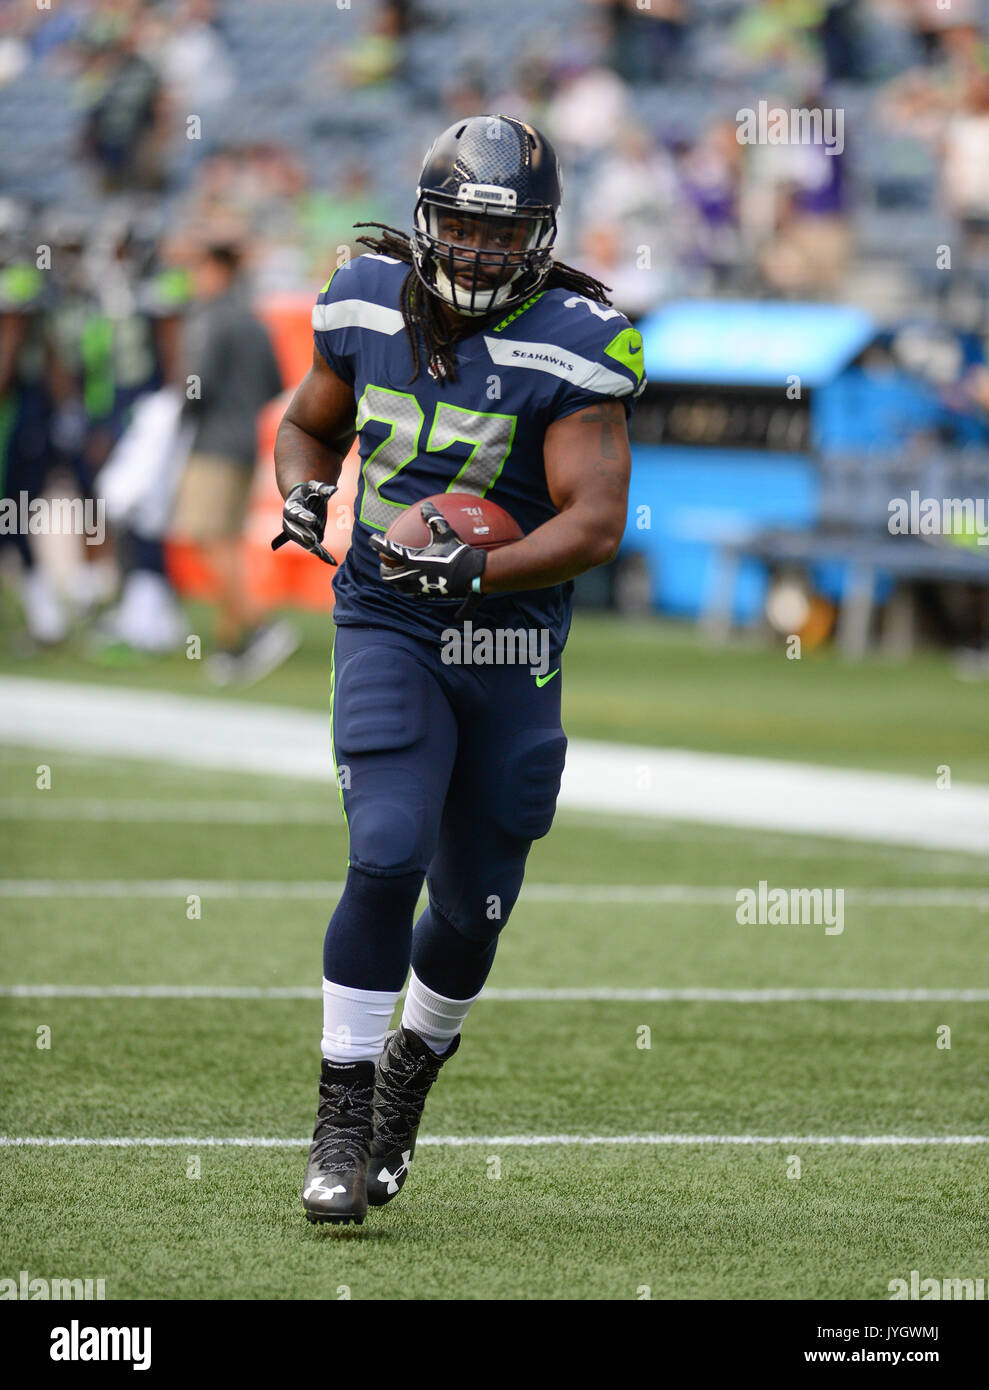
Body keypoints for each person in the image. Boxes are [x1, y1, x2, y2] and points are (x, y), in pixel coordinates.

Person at [272, 114, 645, 1225]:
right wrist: (300, 487)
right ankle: (339, 1112)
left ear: (541, 237)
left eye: (507, 233)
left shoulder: (577, 336)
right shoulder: (358, 299)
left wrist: (474, 578)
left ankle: (406, 1080)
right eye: (466, 230)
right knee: (385, 847)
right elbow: (309, 426)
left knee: (477, 896)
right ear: (428, 221)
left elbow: (593, 522)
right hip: (386, 610)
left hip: (511, 630)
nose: (481, 254)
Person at [170, 240, 292, 683]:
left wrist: (177, 418)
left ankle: (260, 625)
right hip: (247, 440)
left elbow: (196, 386)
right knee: (226, 542)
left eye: (199, 268)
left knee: (208, 538)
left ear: (218, 270)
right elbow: (276, 384)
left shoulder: (213, 319)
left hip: (213, 442)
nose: (193, 279)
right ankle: (229, 644)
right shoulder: (256, 322)